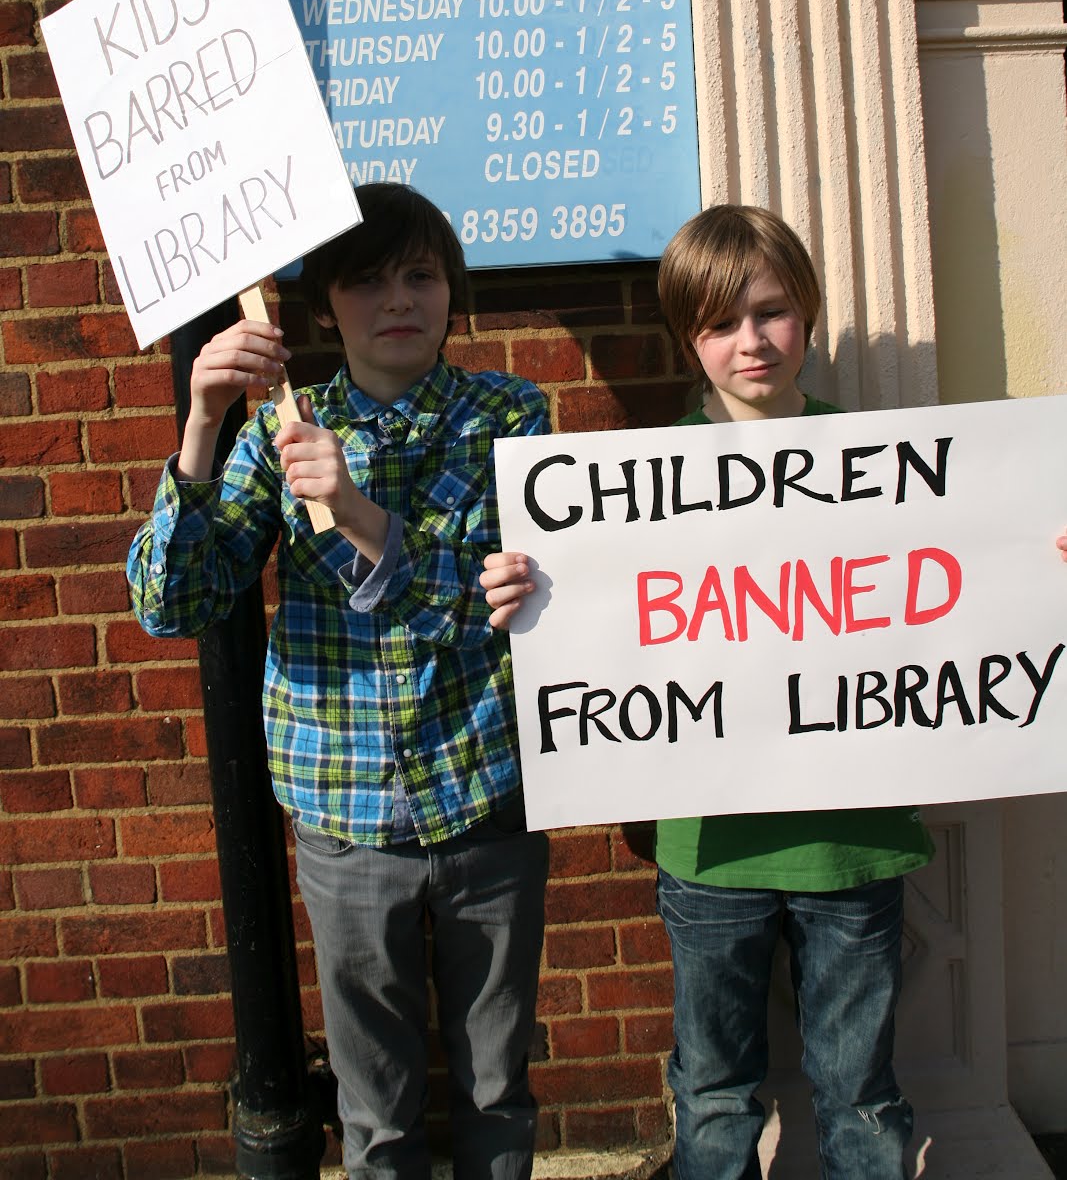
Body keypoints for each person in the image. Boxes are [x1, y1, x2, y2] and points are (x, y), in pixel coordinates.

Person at [480, 202, 1067, 1180]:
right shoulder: (627, 489)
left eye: (770, 312)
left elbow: (966, 586)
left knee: (864, 1104)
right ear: (687, 338)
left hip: (853, 847)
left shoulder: (892, 471)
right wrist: (526, 596)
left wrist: (1036, 568)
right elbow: (600, 641)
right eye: (718, 322)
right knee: (711, 1104)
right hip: (710, 852)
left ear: (809, 314)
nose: (748, 341)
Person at [128, 182, 550, 1180]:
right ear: (324, 306)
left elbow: (501, 602)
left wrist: (356, 509)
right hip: (345, 815)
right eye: (366, 282)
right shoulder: (284, 430)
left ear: (450, 289)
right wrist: (202, 421)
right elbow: (173, 601)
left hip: (486, 798)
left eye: (419, 274)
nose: (397, 299)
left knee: (497, 1092)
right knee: (376, 1112)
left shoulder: (507, 414)